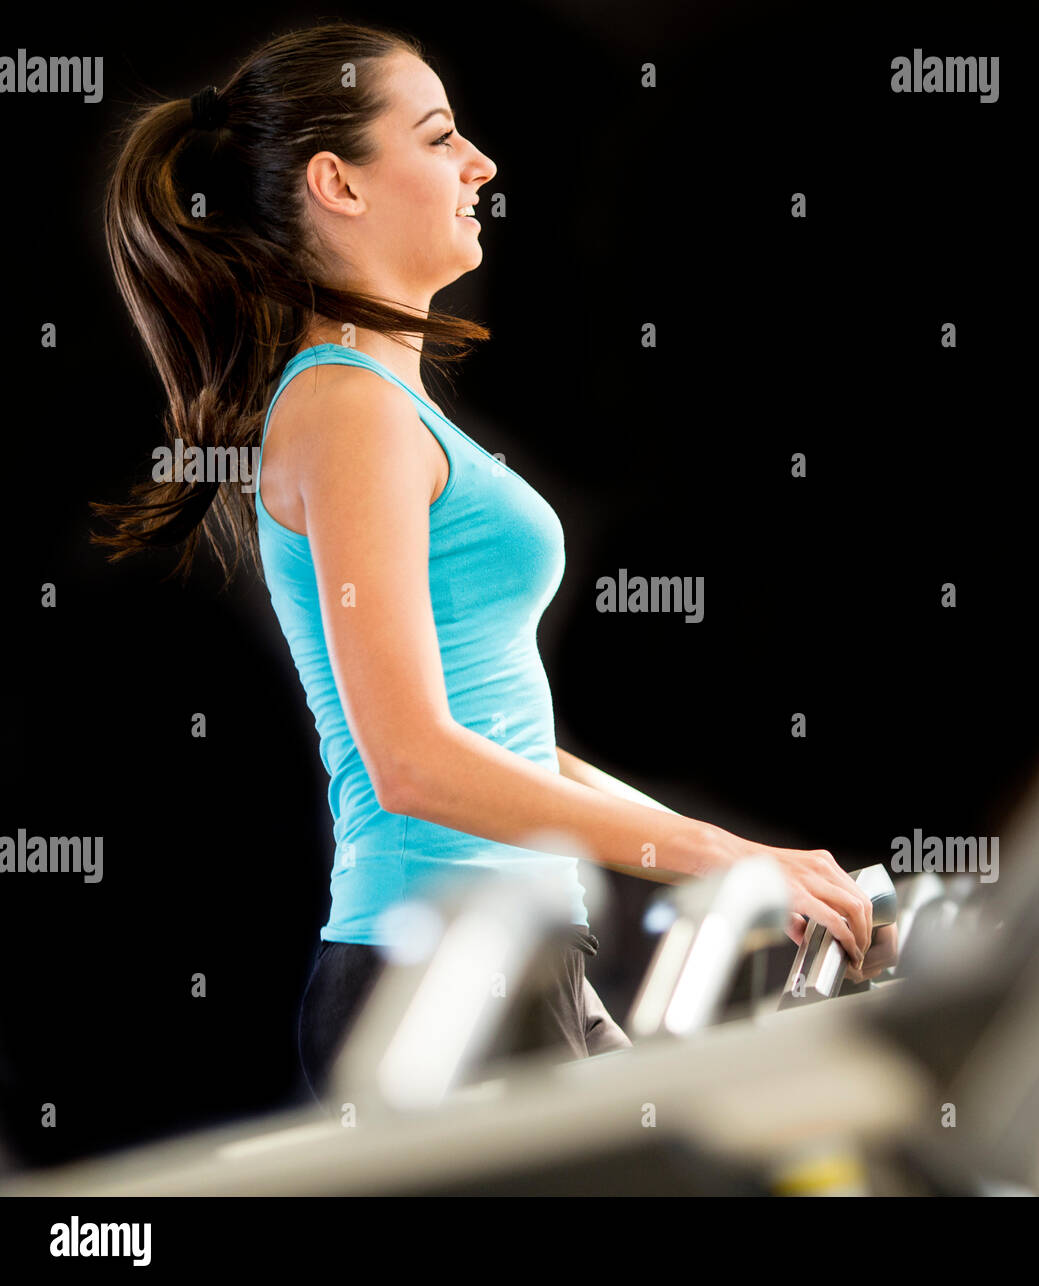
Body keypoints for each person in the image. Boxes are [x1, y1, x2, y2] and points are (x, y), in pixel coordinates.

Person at [91, 21, 897, 1108]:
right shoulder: (342, 408)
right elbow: (413, 762)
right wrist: (718, 855)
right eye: (437, 138)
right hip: (429, 974)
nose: (481, 163)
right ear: (339, 183)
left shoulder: (383, 406)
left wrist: (743, 851)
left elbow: (487, 734)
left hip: (502, 961)